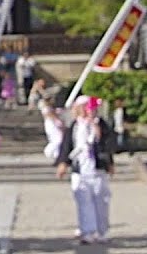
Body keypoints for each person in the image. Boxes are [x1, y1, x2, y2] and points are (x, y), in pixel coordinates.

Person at [55, 96, 114, 245]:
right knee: (83, 201)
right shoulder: (74, 125)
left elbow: (107, 145)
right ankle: (87, 231)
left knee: (101, 201)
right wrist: (63, 163)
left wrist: (110, 163)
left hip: (97, 168)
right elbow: (67, 145)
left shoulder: (101, 124)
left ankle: (102, 231)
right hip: (79, 169)